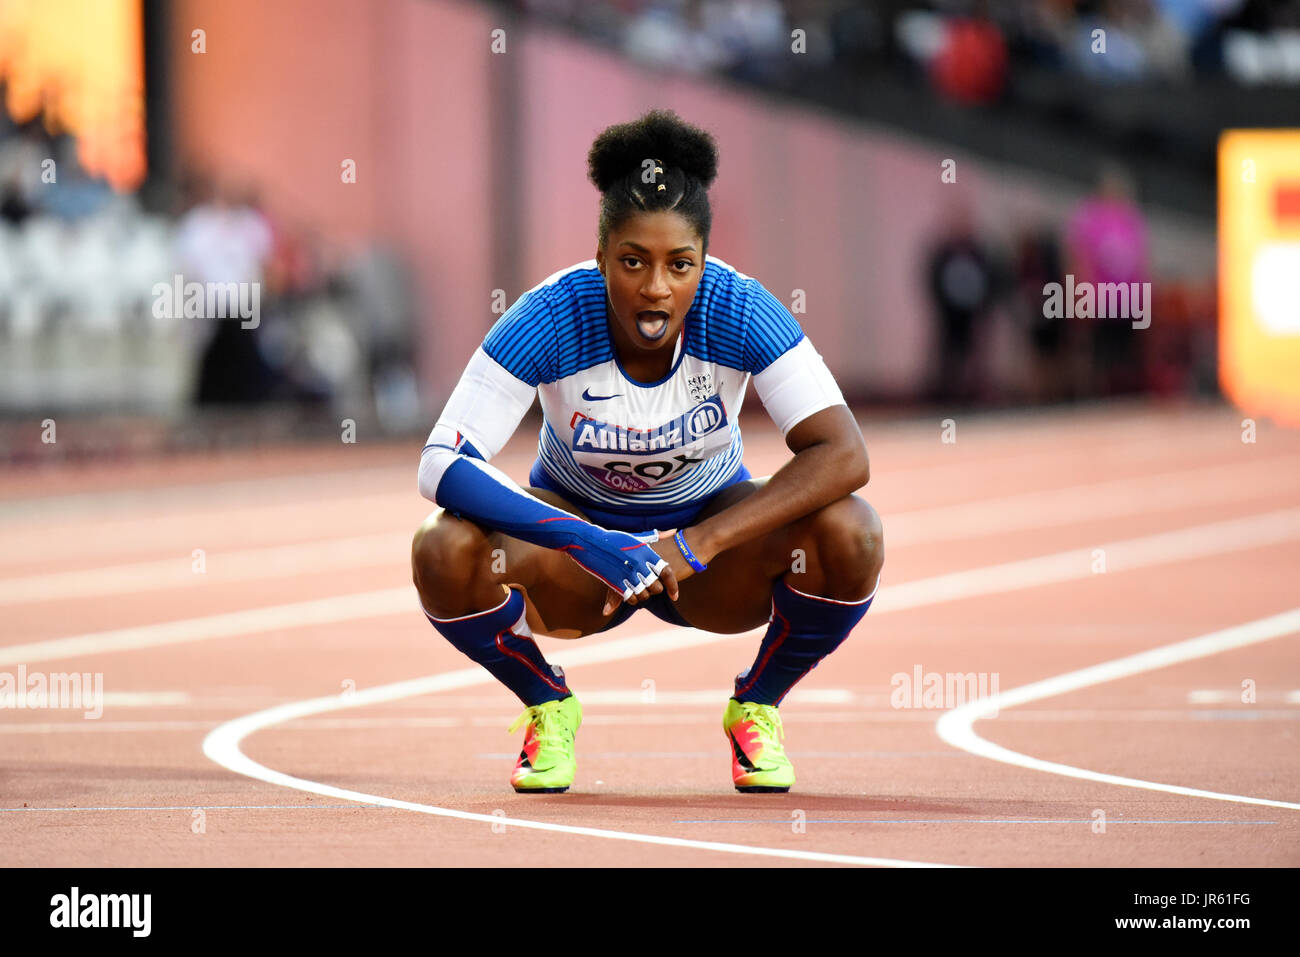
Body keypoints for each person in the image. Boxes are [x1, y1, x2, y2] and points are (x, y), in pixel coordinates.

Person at [411, 110, 882, 795]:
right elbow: (441, 462)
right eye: (632, 261)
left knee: (853, 532)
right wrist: (588, 541)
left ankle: (757, 706)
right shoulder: (549, 315)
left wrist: (696, 543)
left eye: (679, 265)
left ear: (704, 262)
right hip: (578, 561)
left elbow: (843, 453)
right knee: (442, 547)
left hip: (707, 560)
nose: (656, 286)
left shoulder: (740, 309)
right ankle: (547, 702)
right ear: (602, 256)